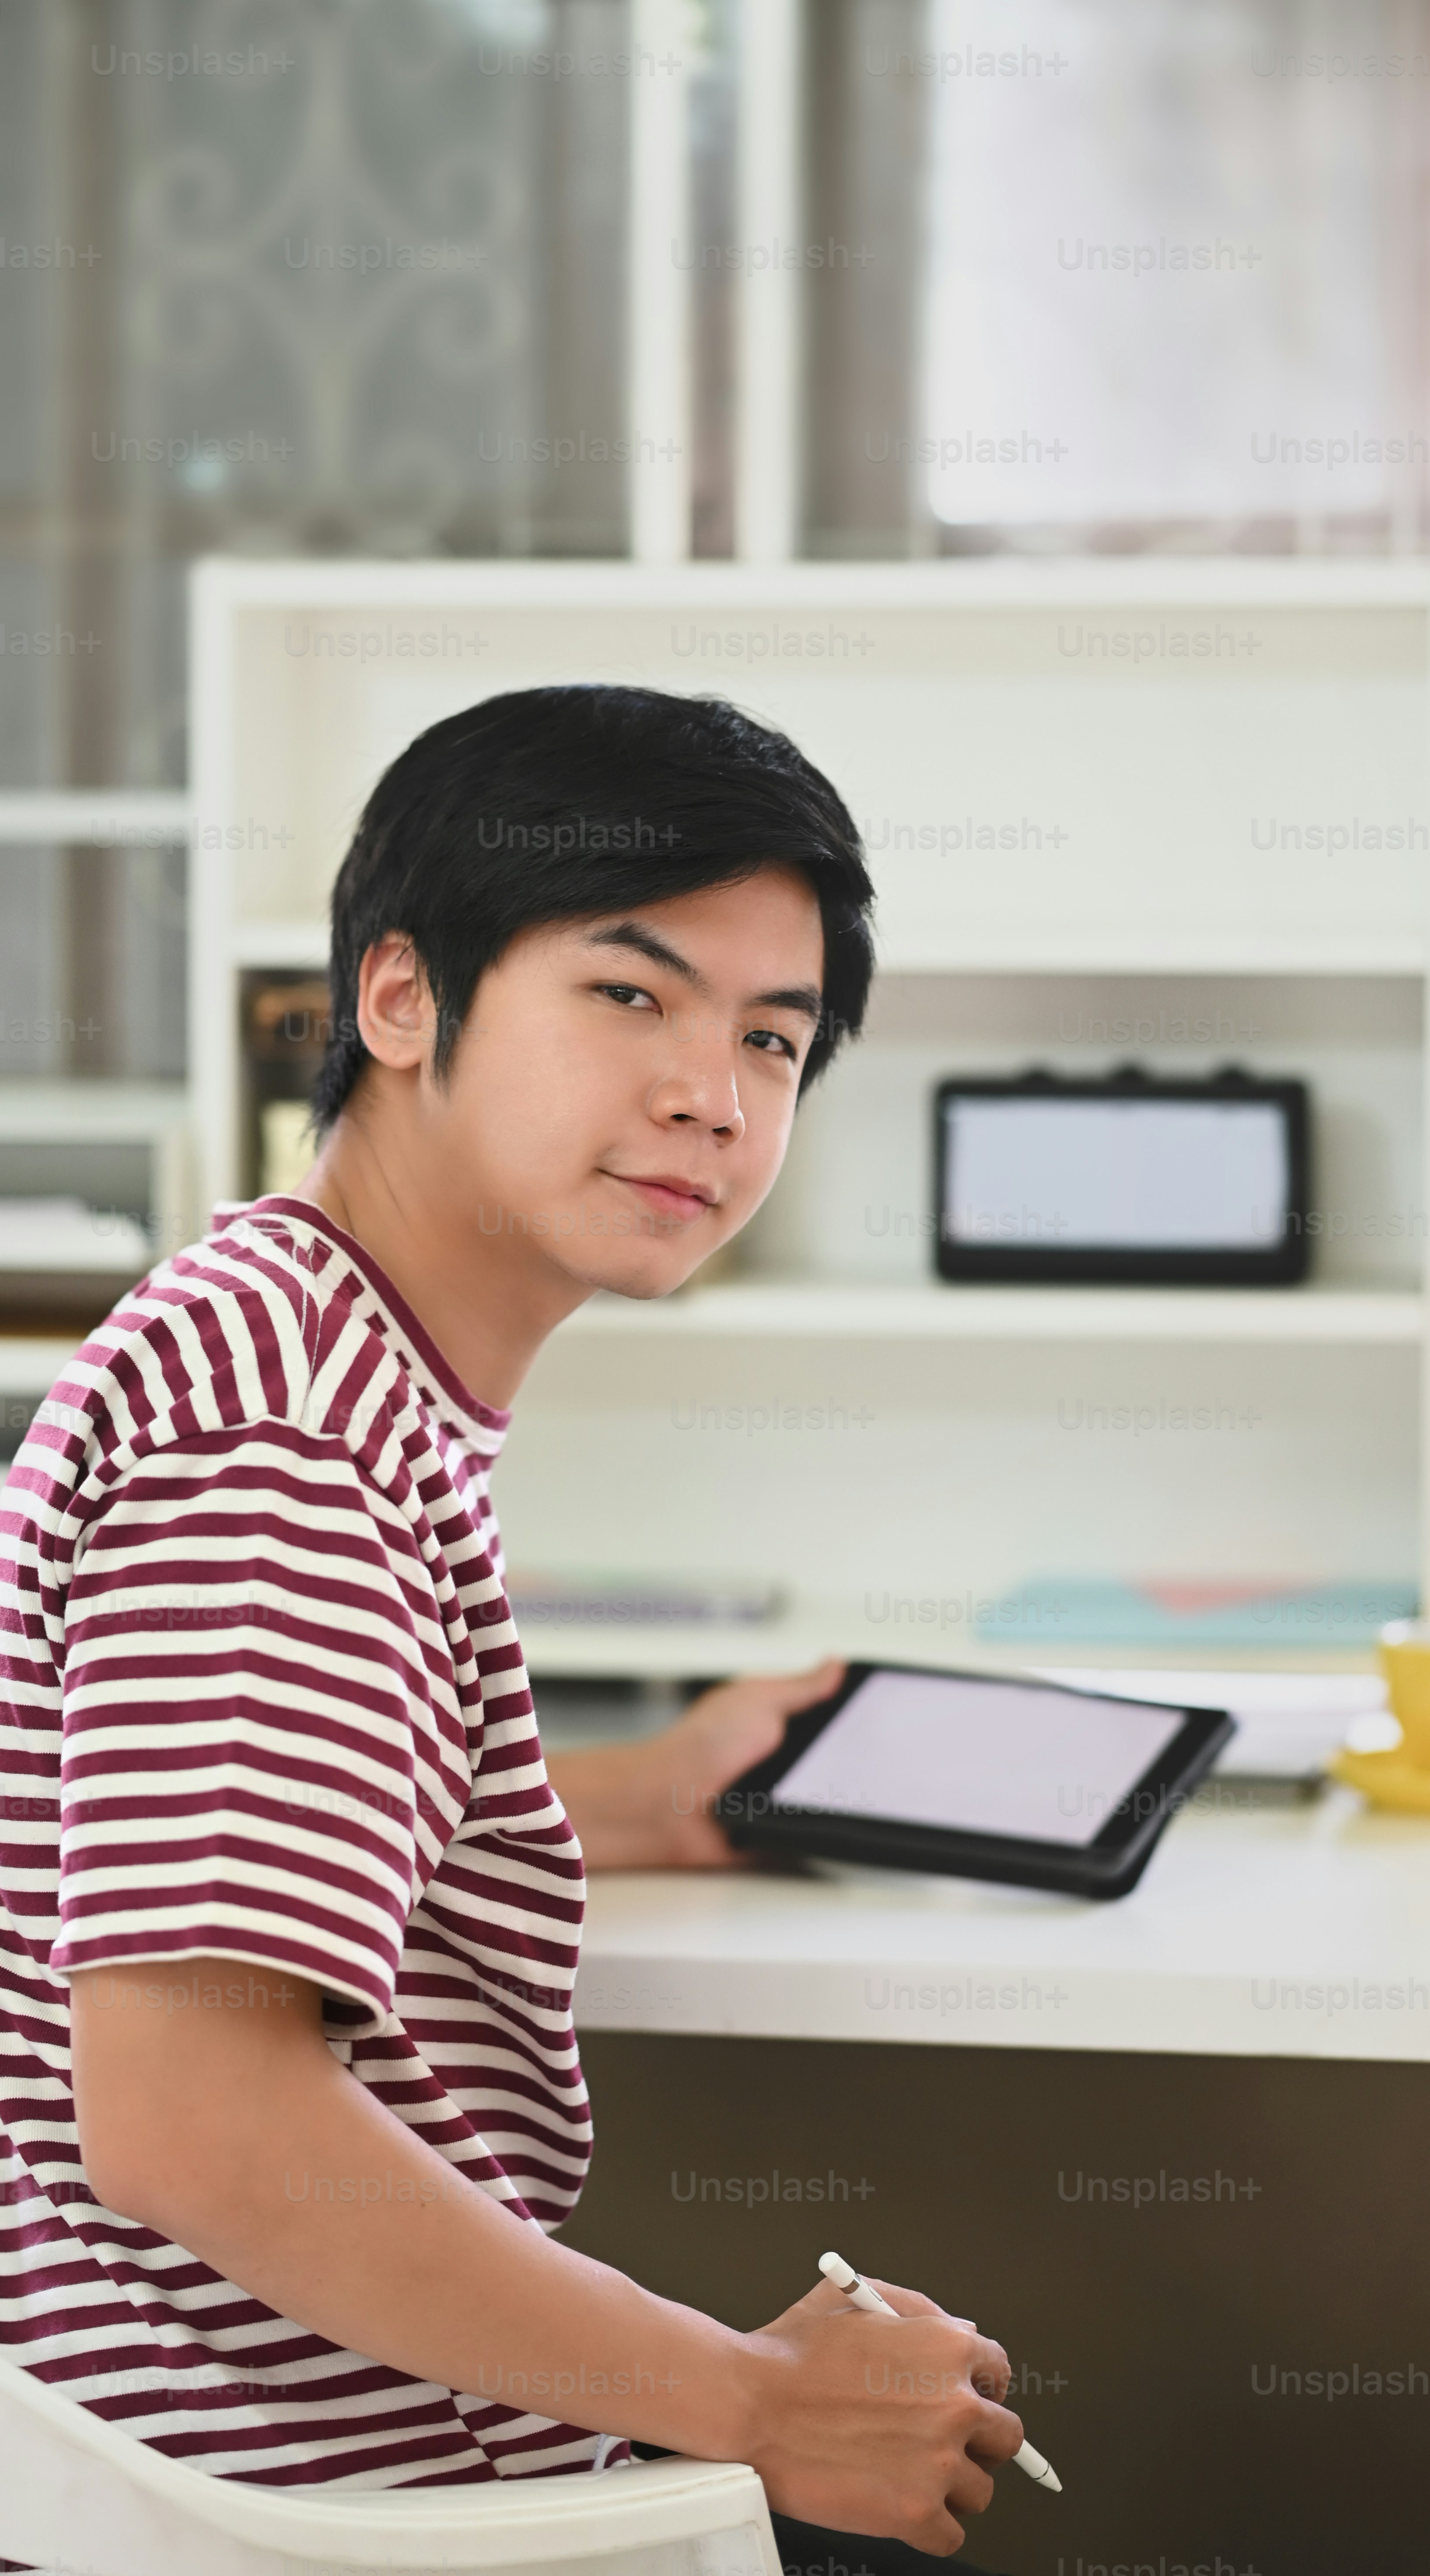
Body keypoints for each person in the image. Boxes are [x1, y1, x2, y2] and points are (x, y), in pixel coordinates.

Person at [0, 687, 1021, 2569]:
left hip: (296, 2457)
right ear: (401, 998)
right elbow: (193, 2114)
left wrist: (644, 1798)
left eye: (773, 1037)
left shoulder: (300, 1339)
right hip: (303, 2513)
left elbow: (247, 1811)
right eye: (630, 994)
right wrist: (753, 2401)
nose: (714, 1097)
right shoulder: (287, 1435)